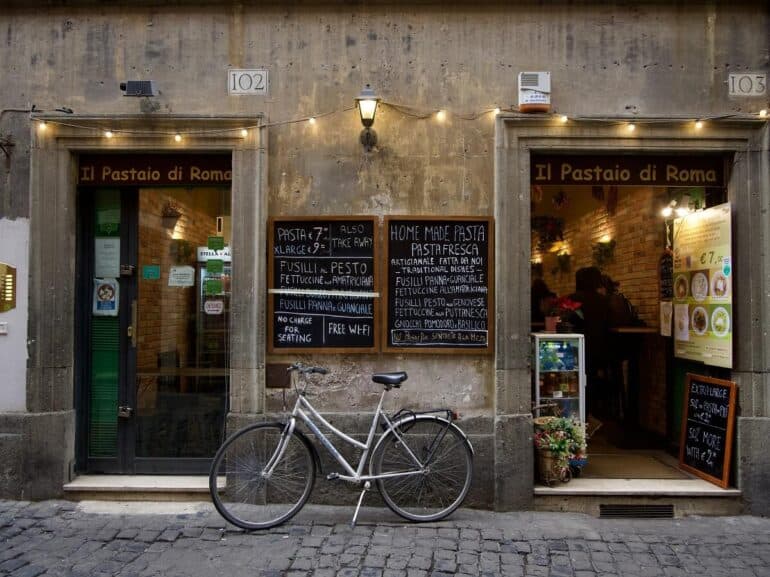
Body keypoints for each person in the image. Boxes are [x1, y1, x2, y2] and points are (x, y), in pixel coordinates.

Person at [570, 267, 610, 419]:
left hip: (575, 350)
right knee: (591, 379)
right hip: (599, 350)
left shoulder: (572, 299)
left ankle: (577, 414)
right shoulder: (603, 301)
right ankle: (590, 413)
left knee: (576, 380)